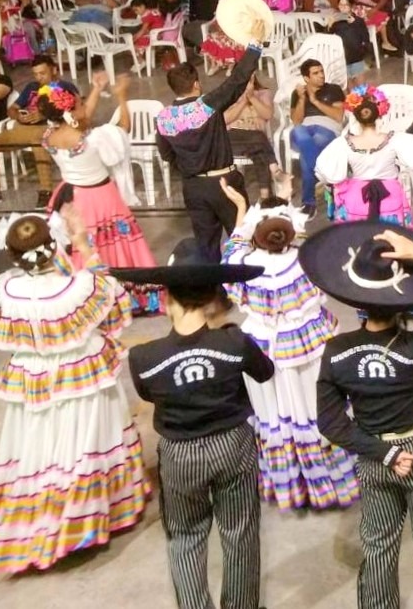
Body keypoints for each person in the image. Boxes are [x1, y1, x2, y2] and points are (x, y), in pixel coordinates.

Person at [307, 221, 413, 609]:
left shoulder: (336, 353)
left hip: (375, 453)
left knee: (378, 543)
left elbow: (331, 423)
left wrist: (385, 454)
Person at [121, 238, 272, 609]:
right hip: (233, 444)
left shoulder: (144, 357)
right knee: (240, 534)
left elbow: (149, 395)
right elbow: (265, 372)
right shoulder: (234, 341)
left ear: (167, 294)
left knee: (185, 537)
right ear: (212, 295)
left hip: (179, 452)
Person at [0, 211, 148, 575]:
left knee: (39, 442)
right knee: (85, 441)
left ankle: (37, 521)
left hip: (31, 374)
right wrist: (83, 244)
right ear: (54, 245)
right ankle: (84, 518)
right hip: (81, 370)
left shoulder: (5, 290)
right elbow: (114, 304)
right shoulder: (80, 286)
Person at [221, 183, 358, 510]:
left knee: (275, 411)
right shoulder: (306, 261)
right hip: (306, 341)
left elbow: (233, 245)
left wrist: (241, 204)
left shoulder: (242, 263)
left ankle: (289, 484)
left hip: (263, 346)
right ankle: (328, 481)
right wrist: (284, 202)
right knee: (314, 404)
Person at [40, 75, 163, 314]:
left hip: (71, 196)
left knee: (84, 245)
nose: (85, 106)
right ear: (72, 112)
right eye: (80, 102)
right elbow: (123, 130)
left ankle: (86, 297)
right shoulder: (93, 139)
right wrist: (121, 97)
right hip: (101, 197)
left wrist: (96, 89)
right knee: (115, 245)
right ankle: (125, 298)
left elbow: (80, 117)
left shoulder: (48, 137)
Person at [157, 0, 267, 259]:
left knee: (206, 247)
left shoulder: (163, 118)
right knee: (243, 237)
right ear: (196, 84)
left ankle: (212, 292)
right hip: (224, 182)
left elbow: (167, 155)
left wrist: (190, 171)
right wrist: (255, 45)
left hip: (193, 187)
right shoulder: (207, 105)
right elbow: (238, 80)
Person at [316, 85, 413, 227]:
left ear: (356, 118)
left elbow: (324, 171)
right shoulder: (395, 139)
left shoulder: (343, 143)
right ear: (379, 115)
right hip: (390, 197)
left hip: (357, 200)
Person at [0, 55, 77, 204]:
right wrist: (18, 116)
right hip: (23, 129)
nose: (39, 77)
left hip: (49, 129)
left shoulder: (65, 88)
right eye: (36, 74)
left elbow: (74, 114)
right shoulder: (31, 87)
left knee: (38, 141)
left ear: (53, 70)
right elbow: (12, 109)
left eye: (42, 73)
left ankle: (46, 191)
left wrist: (44, 113)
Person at [288, 58, 345, 215]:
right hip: (304, 128)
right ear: (306, 78)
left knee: (307, 155)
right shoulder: (298, 93)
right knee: (299, 131)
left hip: (327, 128)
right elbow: (296, 120)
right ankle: (325, 177)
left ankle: (308, 202)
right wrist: (302, 99)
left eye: (322, 71)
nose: (321, 75)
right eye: (316, 73)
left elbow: (338, 116)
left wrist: (315, 101)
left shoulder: (333, 89)